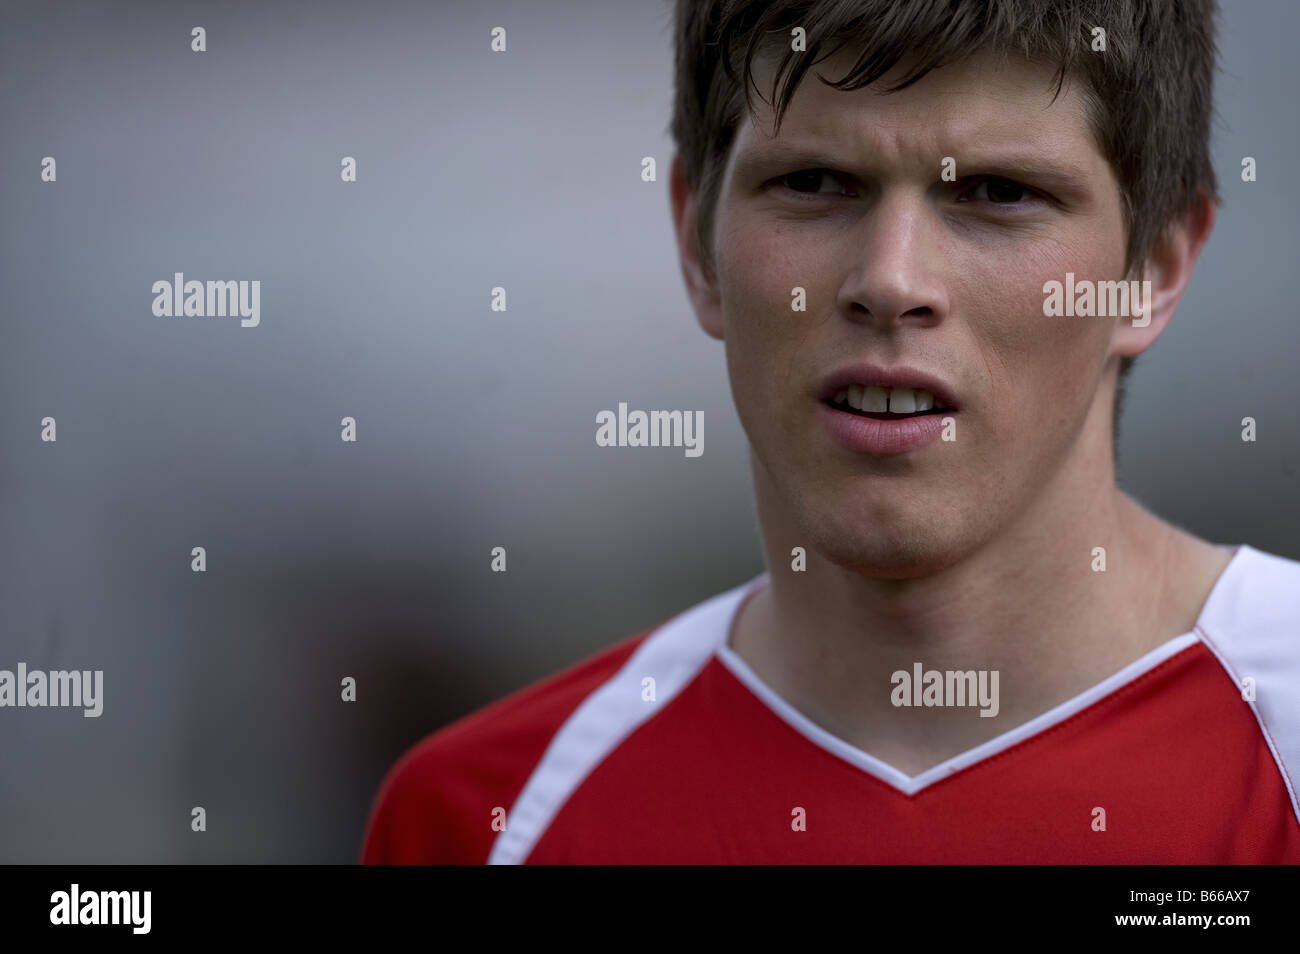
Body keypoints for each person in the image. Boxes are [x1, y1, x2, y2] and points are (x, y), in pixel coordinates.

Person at [363, 0, 1300, 863]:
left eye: (999, 192)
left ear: (1155, 269)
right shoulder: (486, 818)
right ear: (696, 244)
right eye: (814, 182)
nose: (890, 281)